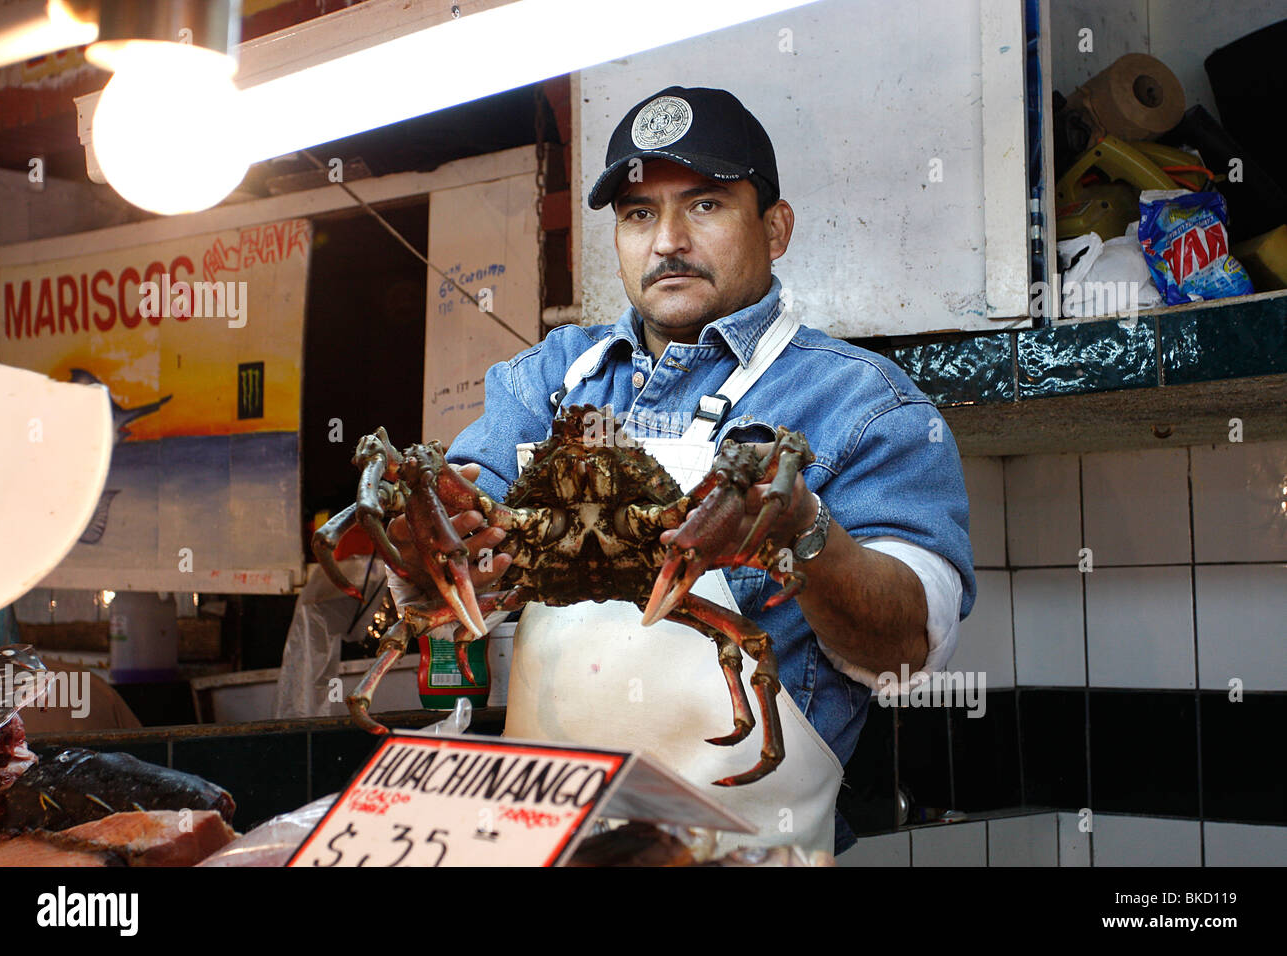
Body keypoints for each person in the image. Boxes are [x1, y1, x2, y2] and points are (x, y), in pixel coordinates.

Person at [388, 86, 976, 855]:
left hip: (746, 849)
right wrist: (427, 538)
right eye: (638, 214)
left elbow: (908, 653)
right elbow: (452, 537)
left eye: (704, 206)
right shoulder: (549, 380)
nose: (667, 241)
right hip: (545, 842)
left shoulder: (864, 402)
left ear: (775, 226)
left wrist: (802, 530)